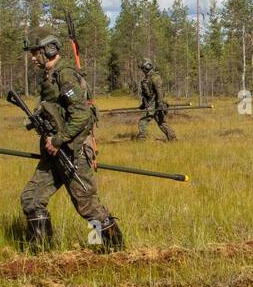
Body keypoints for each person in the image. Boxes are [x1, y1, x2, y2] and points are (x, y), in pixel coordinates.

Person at [19, 27, 123, 250]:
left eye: (35, 52)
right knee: (32, 199)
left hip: (71, 151)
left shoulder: (65, 74)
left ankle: (114, 249)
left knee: (87, 206)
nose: (32, 58)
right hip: (53, 151)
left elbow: (82, 115)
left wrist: (58, 140)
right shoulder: (51, 76)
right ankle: (41, 252)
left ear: (48, 50)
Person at [135, 59, 177, 141]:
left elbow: (159, 92)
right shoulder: (147, 78)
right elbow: (147, 94)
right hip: (151, 103)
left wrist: (160, 104)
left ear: (147, 67)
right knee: (161, 122)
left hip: (155, 103)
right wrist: (144, 104)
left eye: (143, 68)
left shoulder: (155, 77)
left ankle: (141, 139)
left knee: (143, 120)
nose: (142, 70)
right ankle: (172, 138)